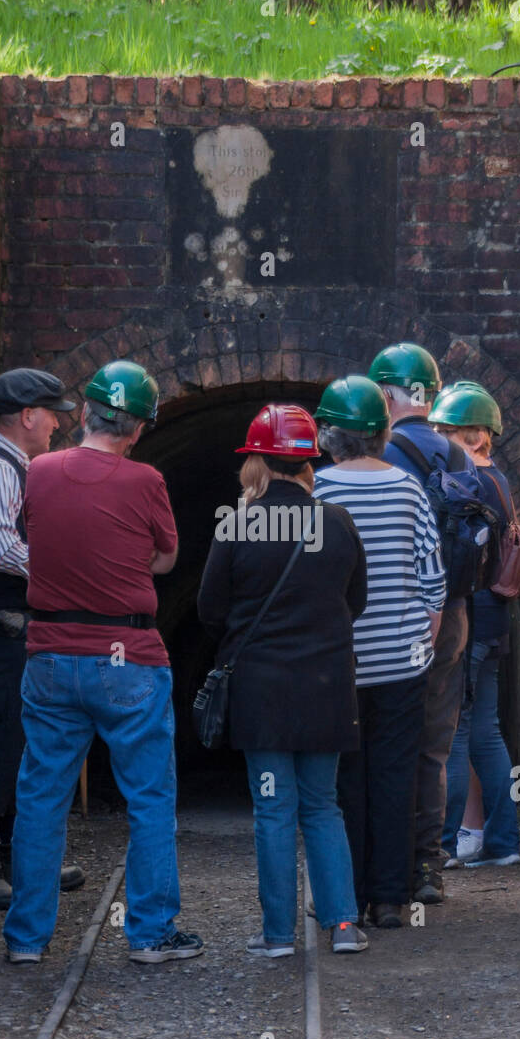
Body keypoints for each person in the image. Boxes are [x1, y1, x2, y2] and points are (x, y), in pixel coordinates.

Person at [3, 360, 203, 963]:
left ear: (86, 412)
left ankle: (26, 940)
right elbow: (167, 560)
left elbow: (31, 536)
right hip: (127, 657)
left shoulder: (37, 471)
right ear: (138, 429)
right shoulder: (146, 482)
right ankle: (149, 934)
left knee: (40, 795)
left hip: (51, 655)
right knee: (148, 796)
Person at [197, 404, 368, 956]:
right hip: (326, 690)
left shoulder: (238, 523)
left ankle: (277, 937)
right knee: (322, 805)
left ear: (257, 464)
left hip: (262, 694)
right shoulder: (339, 523)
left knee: (273, 809)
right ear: (308, 465)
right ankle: (343, 925)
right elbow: (356, 603)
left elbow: (208, 610)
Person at [312, 377, 446, 928]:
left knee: (344, 781)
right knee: (396, 775)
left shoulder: (317, 493)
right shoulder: (409, 490)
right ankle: (392, 898)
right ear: (380, 433)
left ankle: (348, 896)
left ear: (331, 436)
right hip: (402, 661)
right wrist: (422, 645)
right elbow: (433, 580)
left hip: (339, 664)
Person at [0, 368, 85, 908]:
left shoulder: (18, 465)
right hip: (0, 620)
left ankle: (19, 858)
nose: (57, 423)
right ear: (27, 416)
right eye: (52, 412)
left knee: (22, 737)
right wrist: (63, 573)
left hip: (17, 620)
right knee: (1, 737)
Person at [368, 343, 482, 906]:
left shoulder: (379, 454)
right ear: (431, 394)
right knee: (434, 748)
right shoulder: (460, 457)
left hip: (392, 617)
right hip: (454, 613)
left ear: (384, 395)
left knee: (381, 742)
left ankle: (379, 866)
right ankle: (426, 868)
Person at [429, 382, 520, 866]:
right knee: (486, 729)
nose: (440, 438)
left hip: (468, 611)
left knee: (456, 732)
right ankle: (503, 843)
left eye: (447, 431)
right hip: (495, 616)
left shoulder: (462, 480)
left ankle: (444, 845)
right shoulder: (500, 481)